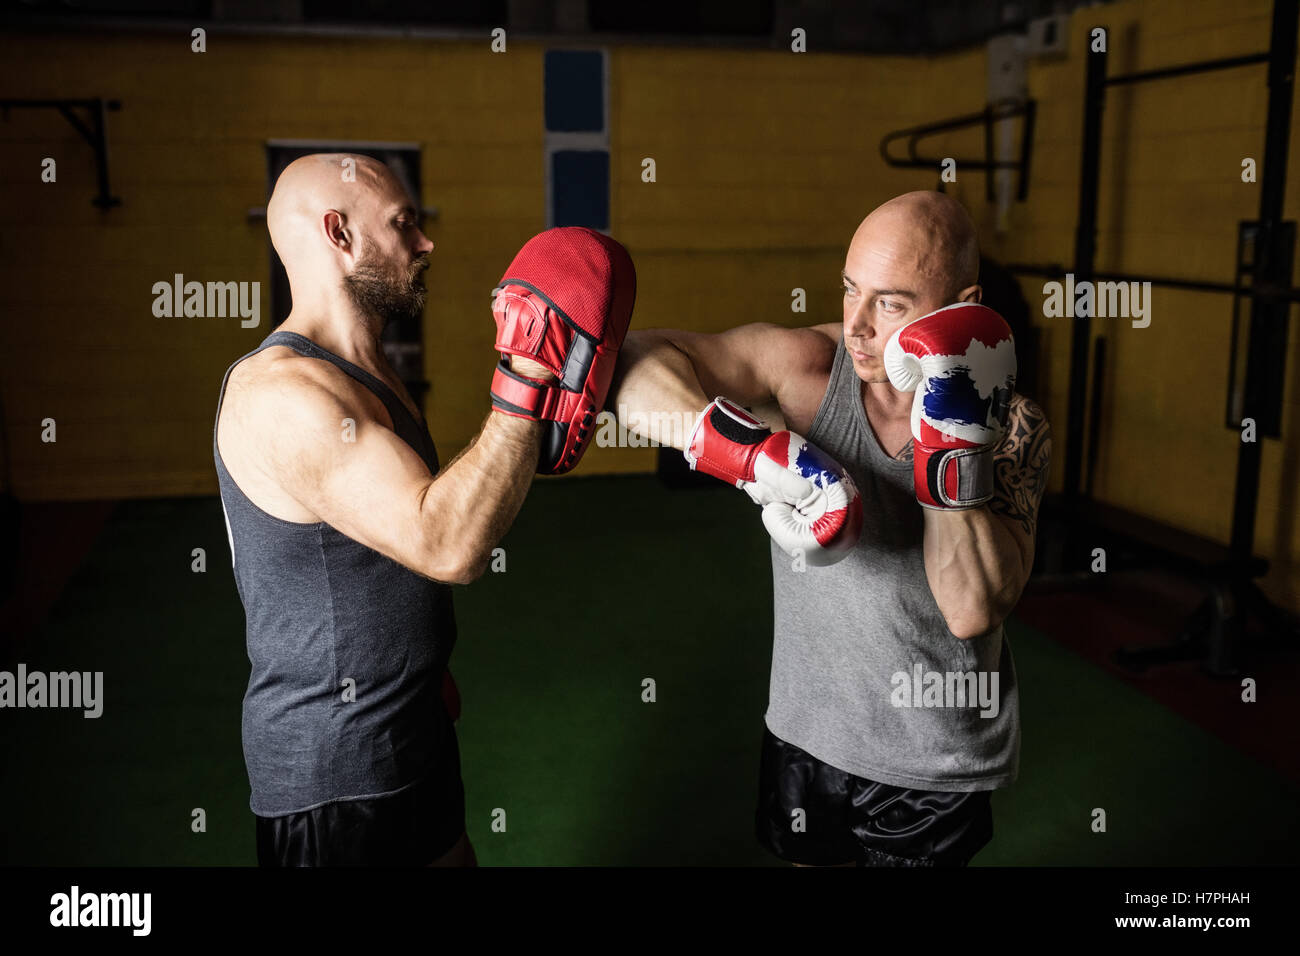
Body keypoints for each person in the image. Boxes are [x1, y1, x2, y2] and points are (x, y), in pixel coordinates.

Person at [214, 153, 632, 866]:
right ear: (338, 235)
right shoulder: (283, 396)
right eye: (405, 223)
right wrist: (529, 376)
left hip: (410, 730)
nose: (426, 241)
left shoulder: (368, 372)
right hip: (336, 776)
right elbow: (447, 543)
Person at [611, 190, 1051, 866]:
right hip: (804, 735)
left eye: (892, 303)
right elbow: (634, 361)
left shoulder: (1014, 427)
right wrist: (748, 453)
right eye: (851, 291)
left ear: (963, 305)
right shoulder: (808, 367)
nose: (859, 327)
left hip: (929, 763)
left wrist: (953, 444)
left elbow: (971, 609)